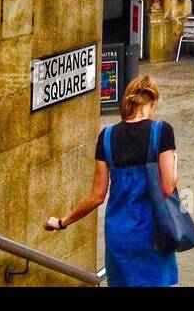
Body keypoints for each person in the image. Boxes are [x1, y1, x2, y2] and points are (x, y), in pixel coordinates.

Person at [44, 75, 179, 287]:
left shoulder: (106, 136)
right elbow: (168, 187)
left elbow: (97, 196)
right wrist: (175, 163)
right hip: (153, 233)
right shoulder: (162, 131)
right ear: (153, 103)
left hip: (120, 236)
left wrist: (62, 222)